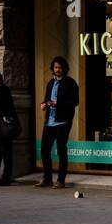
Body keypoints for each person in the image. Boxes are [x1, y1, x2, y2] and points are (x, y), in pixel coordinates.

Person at [39, 55, 79, 189]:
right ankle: (47, 179)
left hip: (63, 121)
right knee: (44, 150)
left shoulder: (70, 83)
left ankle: (61, 180)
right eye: (56, 67)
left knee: (61, 150)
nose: (58, 70)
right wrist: (43, 104)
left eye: (60, 68)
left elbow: (75, 102)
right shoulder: (51, 82)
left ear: (64, 69)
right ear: (53, 68)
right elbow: (46, 99)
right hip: (49, 122)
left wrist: (58, 104)